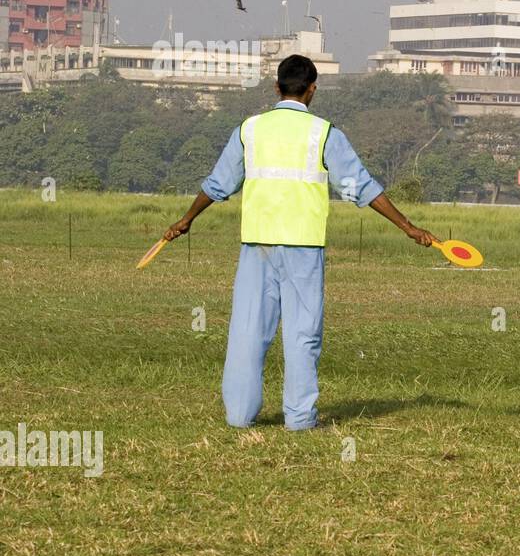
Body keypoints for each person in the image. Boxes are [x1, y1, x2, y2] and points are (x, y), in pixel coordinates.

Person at [159, 55, 437, 430]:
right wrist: (409, 227)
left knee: (247, 331)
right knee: (302, 334)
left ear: (276, 87)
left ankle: (239, 416)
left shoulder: (249, 129)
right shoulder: (324, 134)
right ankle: (300, 419)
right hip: (303, 248)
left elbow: (218, 185)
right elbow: (362, 188)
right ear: (312, 90)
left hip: (256, 246)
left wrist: (186, 220)